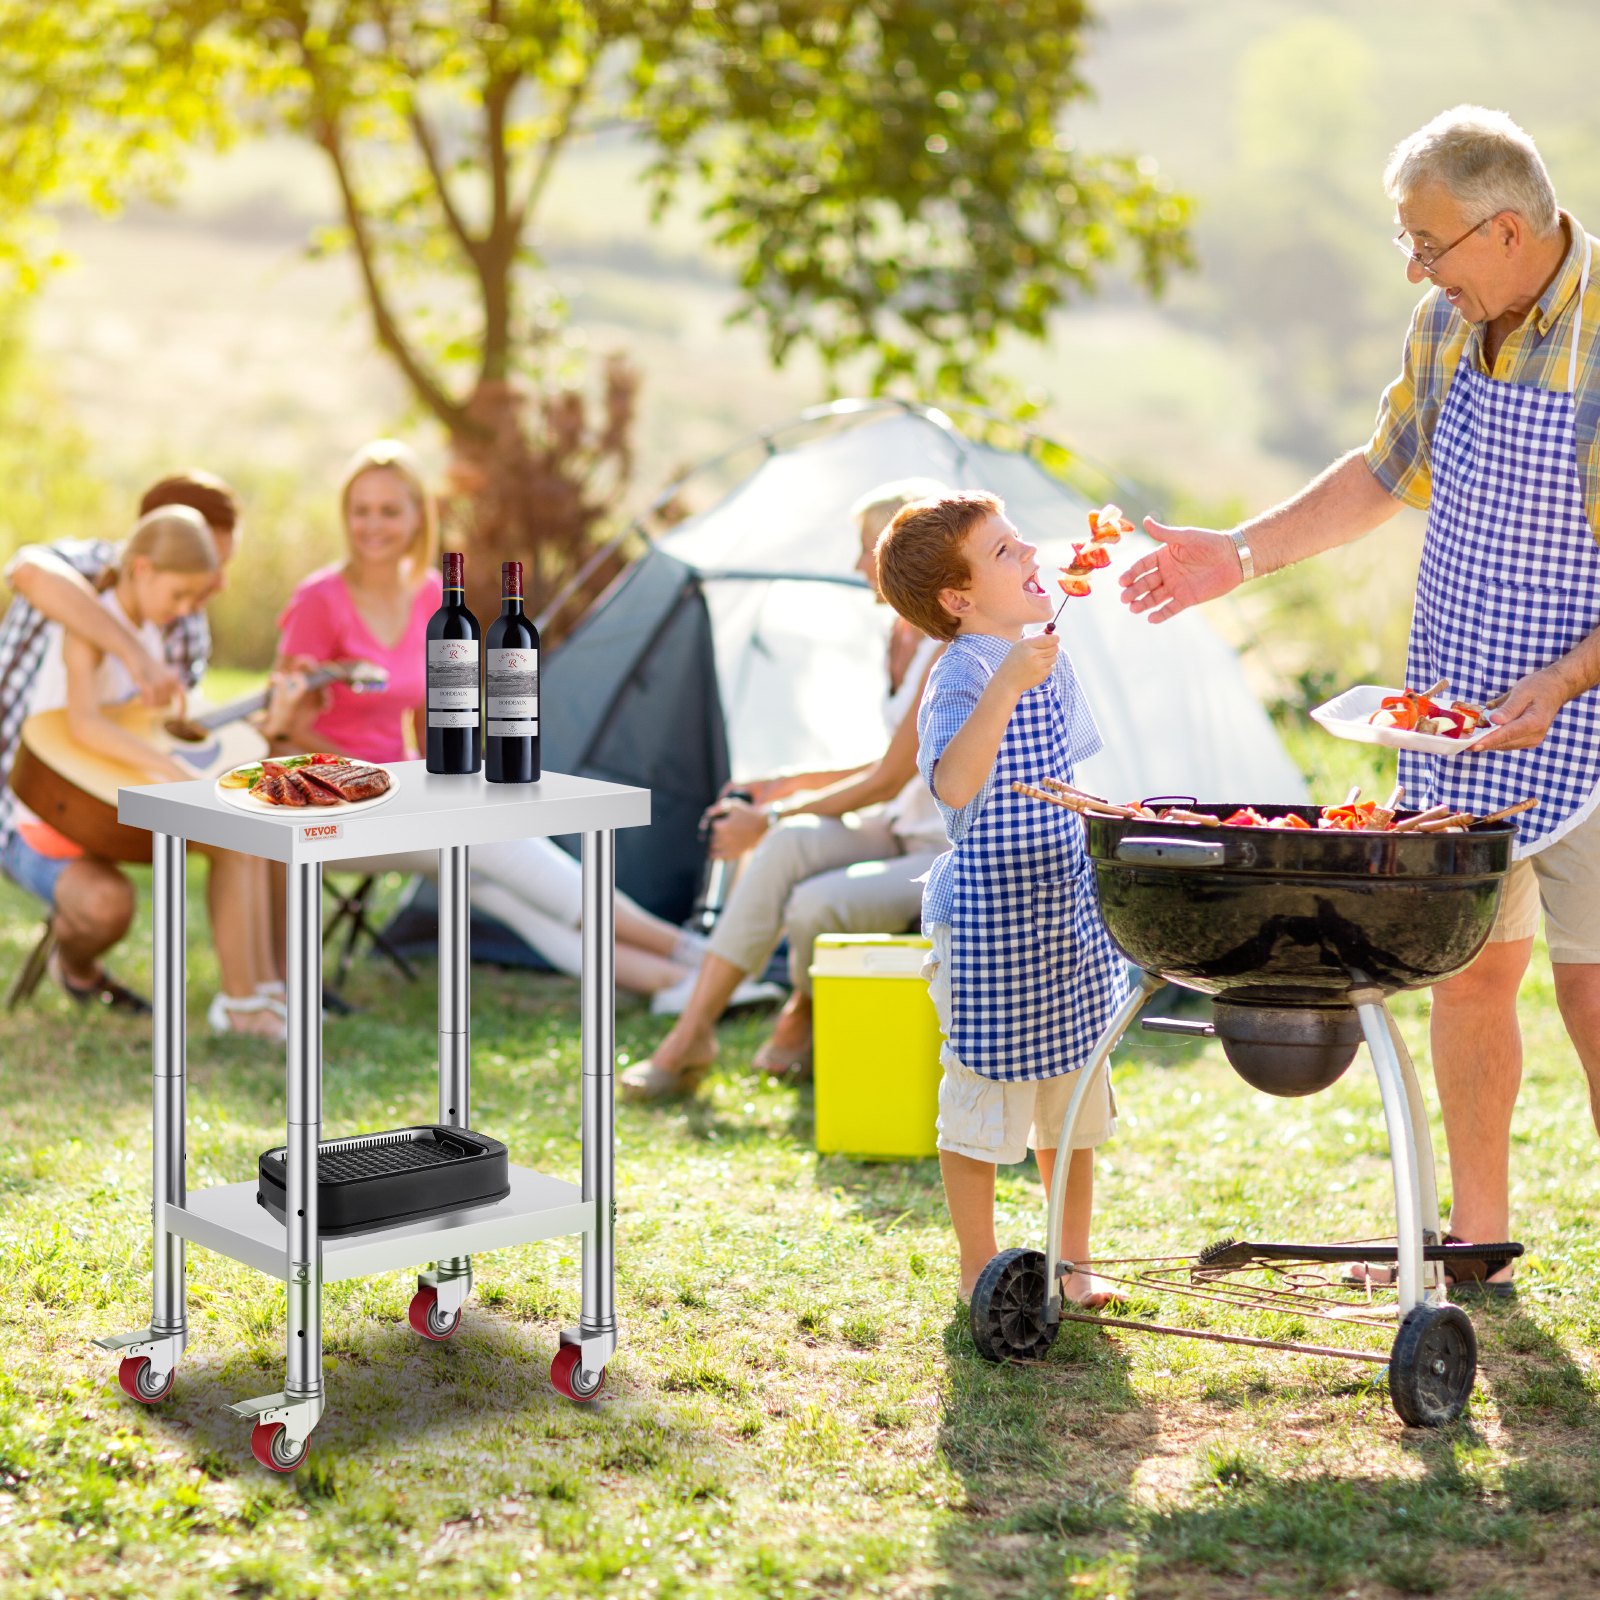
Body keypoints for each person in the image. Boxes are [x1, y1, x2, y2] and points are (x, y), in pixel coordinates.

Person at [1119, 106, 1600, 1296]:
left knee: (1594, 998)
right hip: (1455, 718)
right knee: (1470, 975)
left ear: (1503, 228)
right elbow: (1387, 469)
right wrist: (1232, 557)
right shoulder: (1450, 316)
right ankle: (1475, 1242)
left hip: (1582, 724)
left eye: (1427, 243)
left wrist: (1562, 679)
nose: (1414, 267)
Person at [267, 439, 768, 1001]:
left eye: (389, 510)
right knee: (494, 846)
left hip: (410, 798)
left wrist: (436, 780)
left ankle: (679, 985)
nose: (373, 525)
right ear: (345, 517)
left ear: (416, 518)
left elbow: (422, 719)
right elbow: (280, 731)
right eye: (361, 511)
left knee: (504, 887)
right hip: (337, 813)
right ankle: (699, 956)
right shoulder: (319, 600)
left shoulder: (430, 593)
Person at [873, 490, 1128, 1305]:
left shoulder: (1042, 653)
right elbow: (952, 783)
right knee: (981, 1095)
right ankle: (979, 1266)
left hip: (1063, 909)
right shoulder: (961, 673)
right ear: (958, 599)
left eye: (1024, 545)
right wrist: (1005, 689)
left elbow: (1057, 775)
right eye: (1007, 553)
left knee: (1074, 1099)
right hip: (990, 917)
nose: (1031, 561)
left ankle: (1073, 1261)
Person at [620, 478, 953, 1101]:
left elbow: (889, 776)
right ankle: (692, 1034)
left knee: (810, 901)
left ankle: (801, 1011)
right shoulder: (899, 635)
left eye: (868, 547)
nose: (857, 564)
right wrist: (781, 790)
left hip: (940, 850)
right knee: (789, 846)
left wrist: (766, 818)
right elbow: (889, 760)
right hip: (899, 828)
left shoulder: (945, 645)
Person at [6, 506, 284, 1037]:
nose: (184, 611)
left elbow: (145, 725)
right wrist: (166, 766)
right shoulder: (89, 625)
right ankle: (245, 1007)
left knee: (244, 829)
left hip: (113, 798)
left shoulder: (153, 632)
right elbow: (85, 726)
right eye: (179, 595)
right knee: (226, 835)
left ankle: (258, 993)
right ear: (141, 570)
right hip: (62, 812)